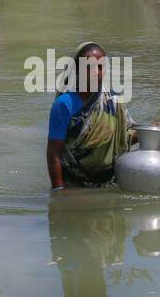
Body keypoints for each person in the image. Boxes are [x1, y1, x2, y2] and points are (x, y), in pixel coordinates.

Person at [46, 41, 135, 189]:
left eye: (101, 67)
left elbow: (123, 137)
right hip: (73, 184)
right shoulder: (64, 104)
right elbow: (54, 152)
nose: (97, 72)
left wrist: (151, 133)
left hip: (109, 182)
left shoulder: (113, 100)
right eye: (90, 67)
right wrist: (59, 190)